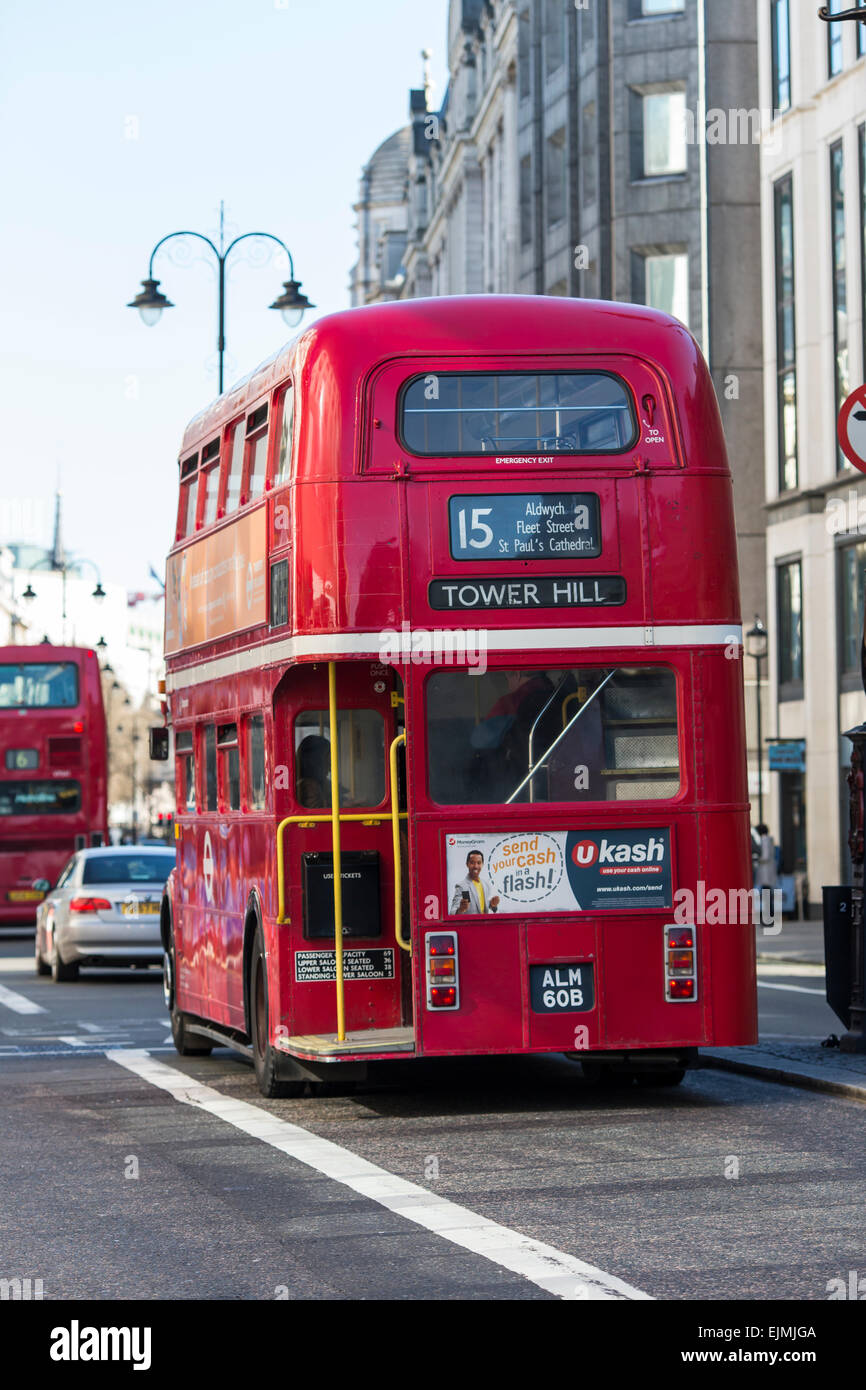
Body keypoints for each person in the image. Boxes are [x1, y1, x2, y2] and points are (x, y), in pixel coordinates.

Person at [450, 850, 500, 915]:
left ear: (482, 864)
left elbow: (488, 908)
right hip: (470, 925)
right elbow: (452, 913)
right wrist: (460, 909)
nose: (475, 866)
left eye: (479, 863)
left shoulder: (486, 884)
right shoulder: (462, 886)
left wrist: (493, 906)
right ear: (467, 864)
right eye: (472, 862)